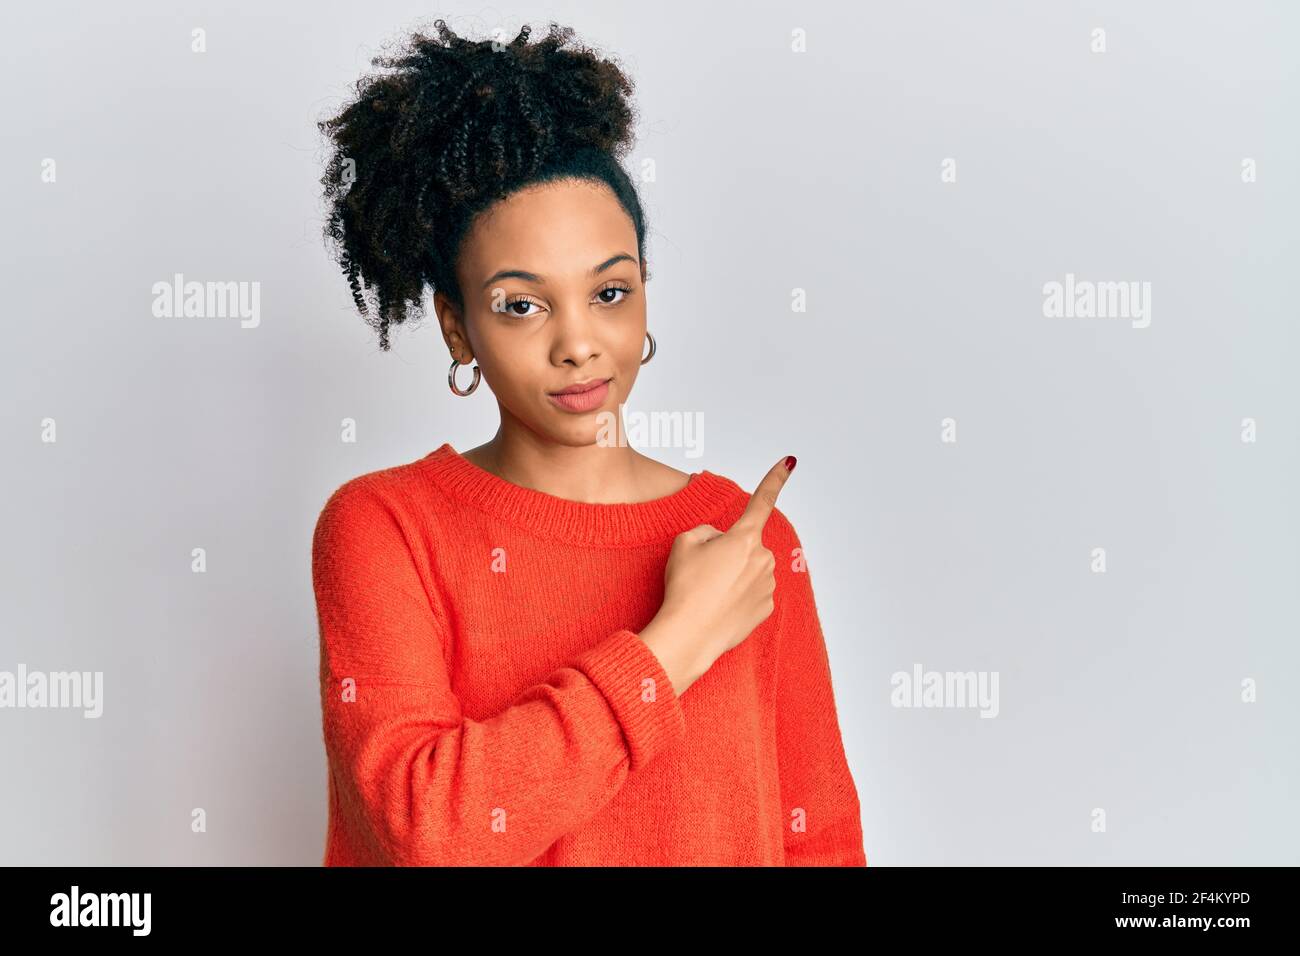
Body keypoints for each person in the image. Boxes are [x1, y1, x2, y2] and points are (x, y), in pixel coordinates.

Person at [311, 18, 865, 866]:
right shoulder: (385, 527)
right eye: (521, 305)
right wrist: (679, 639)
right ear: (457, 328)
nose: (578, 343)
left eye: (610, 292)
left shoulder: (747, 540)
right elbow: (430, 831)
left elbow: (820, 836)